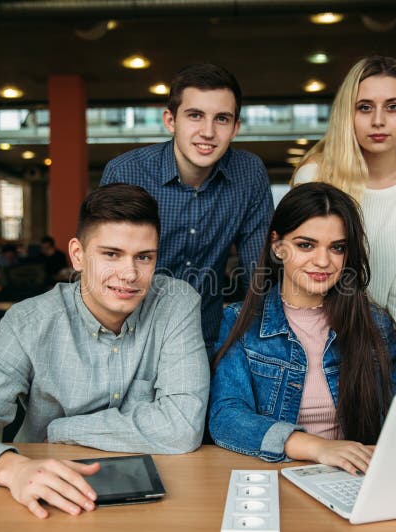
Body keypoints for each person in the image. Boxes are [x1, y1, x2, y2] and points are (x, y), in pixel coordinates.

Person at [0, 184, 210, 519]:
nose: (130, 274)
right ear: (78, 254)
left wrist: (60, 429)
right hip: (46, 493)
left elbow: (181, 427)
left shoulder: (176, 303)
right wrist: (12, 469)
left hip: (155, 497)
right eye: (111, 254)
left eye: (144, 257)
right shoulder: (29, 322)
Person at [209, 183, 396, 473]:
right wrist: (317, 448)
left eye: (337, 248)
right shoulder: (240, 322)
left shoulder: (375, 324)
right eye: (305, 245)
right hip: (277, 474)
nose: (323, 261)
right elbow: (226, 417)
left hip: (357, 479)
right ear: (277, 246)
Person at [292, 56, 396, 387]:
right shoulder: (315, 176)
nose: (378, 120)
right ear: (347, 114)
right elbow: (305, 273)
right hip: (334, 326)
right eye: (364, 107)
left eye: (392, 107)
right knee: (346, 439)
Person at [100, 63, 274, 354]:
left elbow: (260, 272)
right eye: (195, 115)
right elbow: (105, 269)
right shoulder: (127, 172)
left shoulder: (249, 174)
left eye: (221, 119)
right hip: (128, 340)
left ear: (235, 127)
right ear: (171, 120)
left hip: (205, 339)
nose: (208, 131)